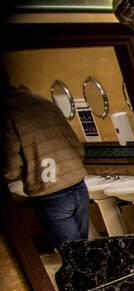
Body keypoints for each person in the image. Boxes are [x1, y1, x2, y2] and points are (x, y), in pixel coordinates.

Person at [3, 63, 90, 244]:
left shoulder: (7, 113)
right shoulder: (42, 102)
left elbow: (10, 166)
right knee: (84, 248)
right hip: (77, 184)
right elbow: (77, 147)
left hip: (50, 191)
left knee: (73, 254)